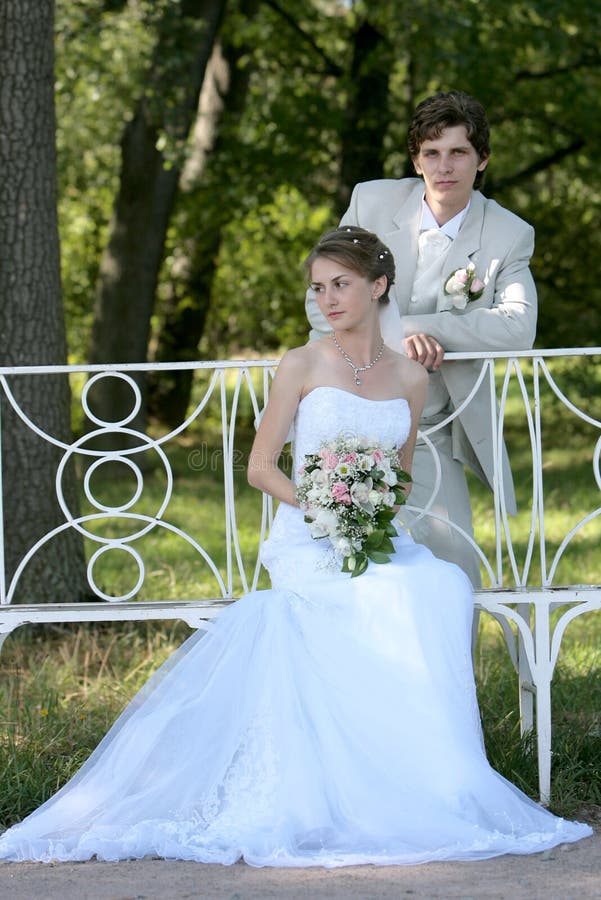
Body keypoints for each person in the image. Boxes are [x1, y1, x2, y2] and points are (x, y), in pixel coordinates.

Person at [0, 228, 590, 867]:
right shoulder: (302, 363)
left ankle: (431, 778)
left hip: (371, 538)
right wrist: (325, 506)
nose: (328, 299)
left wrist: (368, 512)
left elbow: (401, 476)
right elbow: (259, 466)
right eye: (318, 287)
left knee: (440, 585)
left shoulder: (411, 378)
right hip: (306, 536)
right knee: (392, 593)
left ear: (378, 286)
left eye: (341, 284)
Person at [306, 91, 538, 589]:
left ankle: (450, 668)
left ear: (482, 161)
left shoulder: (508, 233)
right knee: (340, 565)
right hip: (351, 410)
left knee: (453, 569)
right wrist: (397, 332)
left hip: (435, 425)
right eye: (431, 153)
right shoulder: (371, 203)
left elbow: (518, 325)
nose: (444, 166)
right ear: (416, 160)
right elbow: (319, 302)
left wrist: (430, 328)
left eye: (458, 153)